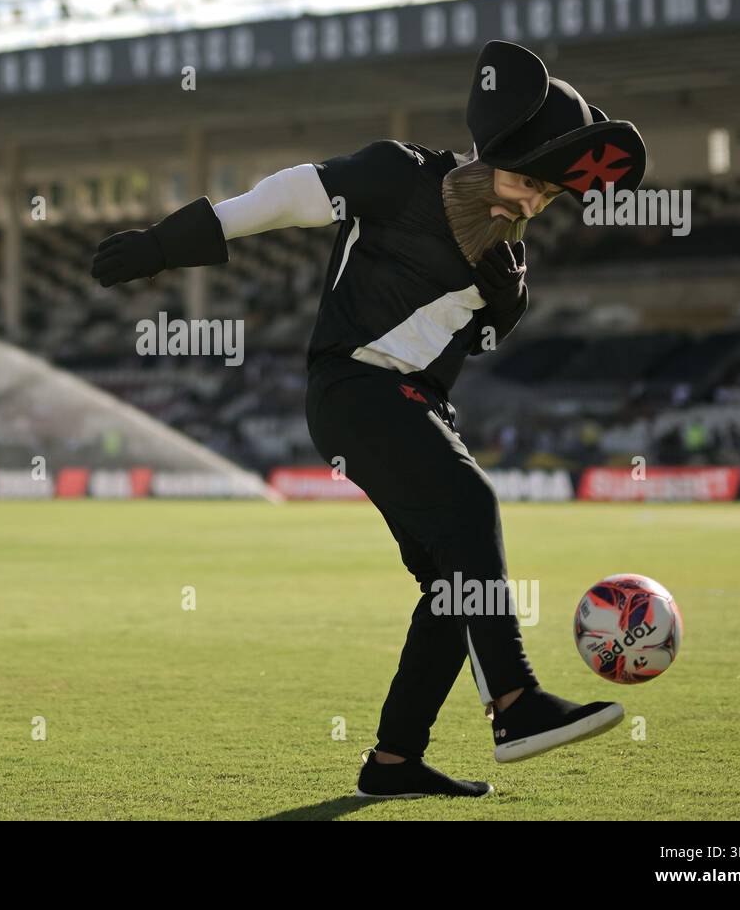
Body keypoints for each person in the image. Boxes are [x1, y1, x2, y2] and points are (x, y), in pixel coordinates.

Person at [91, 40, 647, 799]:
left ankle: (393, 762)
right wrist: (168, 243)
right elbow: (290, 195)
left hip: (410, 404)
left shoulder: (508, 275)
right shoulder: (401, 175)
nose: (528, 206)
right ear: (486, 158)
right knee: (473, 507)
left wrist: (491, 320)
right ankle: (516, 704)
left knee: (457, 586)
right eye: (524, 184)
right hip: (350, 389)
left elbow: (450, 359)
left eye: (545, 199)